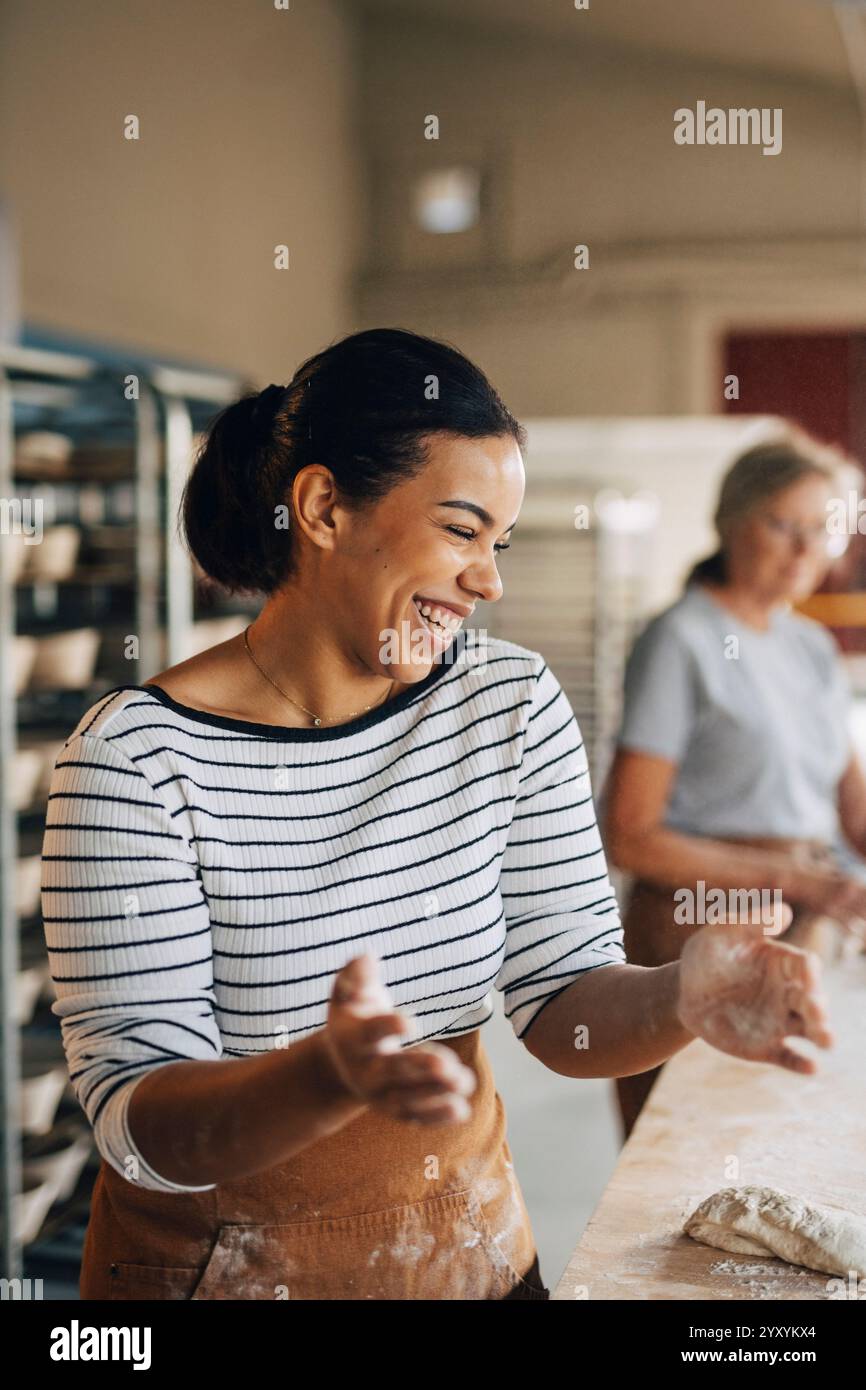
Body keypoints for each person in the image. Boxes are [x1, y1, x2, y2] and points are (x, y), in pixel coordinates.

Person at [42, 333, 835, 1301]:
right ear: (323, 507)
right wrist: (322, 1078)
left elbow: (561, 1002)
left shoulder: (507, 704)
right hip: (213, 1277)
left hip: (470, 1262)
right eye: (461, 531)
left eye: (497, 544)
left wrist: (677, 996)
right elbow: (138, 1120)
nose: (488, 580)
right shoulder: (136, 761)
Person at [603, 427, 866, 1141]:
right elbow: (628, 835)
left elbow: (853, 811)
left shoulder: (810, 647)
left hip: (799, 920)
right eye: (784, 525)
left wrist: (821, 882)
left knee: (777, 1136)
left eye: (824, 531)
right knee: (689, 1149)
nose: (806, 551)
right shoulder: (680, 638)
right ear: (729, 521)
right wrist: (794, 876)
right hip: (697, 920)